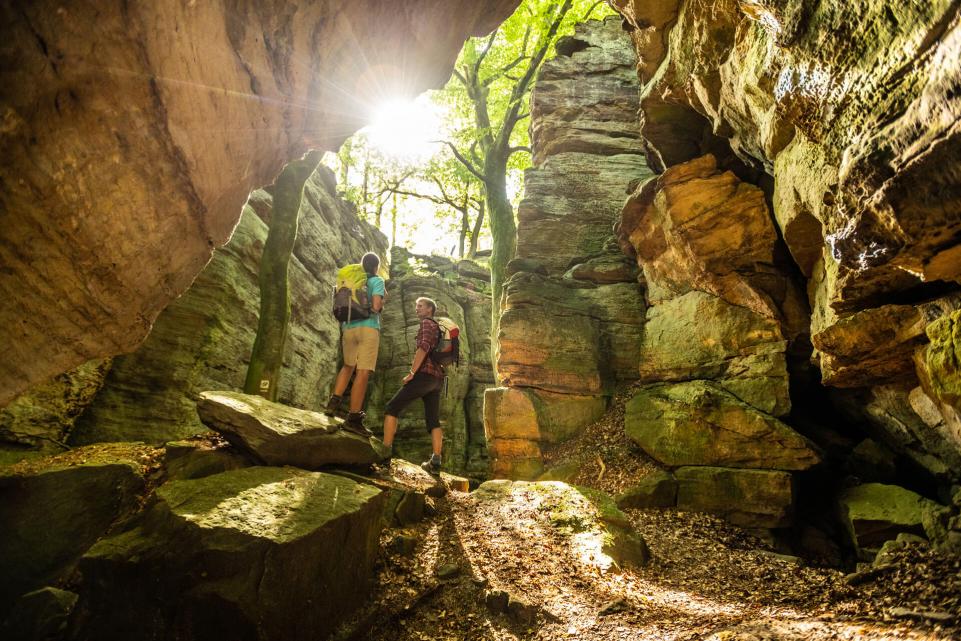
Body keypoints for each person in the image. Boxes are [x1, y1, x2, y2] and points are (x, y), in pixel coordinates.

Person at [382, 296, 447, 474]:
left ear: (429, 310)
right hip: (438, 379)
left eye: (420, 306)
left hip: (424, 376)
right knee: (433, 420)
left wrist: (412, 372)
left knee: (391, 408)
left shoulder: (427, 323)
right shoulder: (439, 328)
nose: (416, 308)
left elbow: (424, 347)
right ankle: (436, 462)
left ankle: (384, 455)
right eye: (416, 305)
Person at [325, 252, 385, 435]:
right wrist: (381, 302)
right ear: (376, 267)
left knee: (348, 366)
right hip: (368, 329)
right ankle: (353, 418)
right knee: (363, 371)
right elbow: (375, 306)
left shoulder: (352, 279)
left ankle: (332, 405)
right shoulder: (376, 280)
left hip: (348, 328)